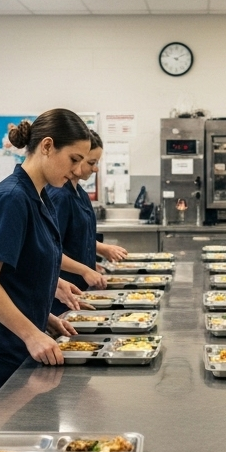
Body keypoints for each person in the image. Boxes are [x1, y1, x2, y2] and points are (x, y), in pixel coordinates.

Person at [0, 110, 92, 423]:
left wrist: (46, 315)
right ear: (48, 146)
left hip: (15, 344)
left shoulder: (40, 197)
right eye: (74, 159)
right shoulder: (11, 198)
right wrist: (32, 334)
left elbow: (19, 272)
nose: (80, 171)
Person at [48, 131, 128, 315]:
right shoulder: (59, 196)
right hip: (64, 292)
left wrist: (97, 251)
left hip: (80, 289)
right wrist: (85, 270)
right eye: (91, 163)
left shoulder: (79, 192)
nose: (95, 169)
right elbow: (51, 249)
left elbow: (75, 237)